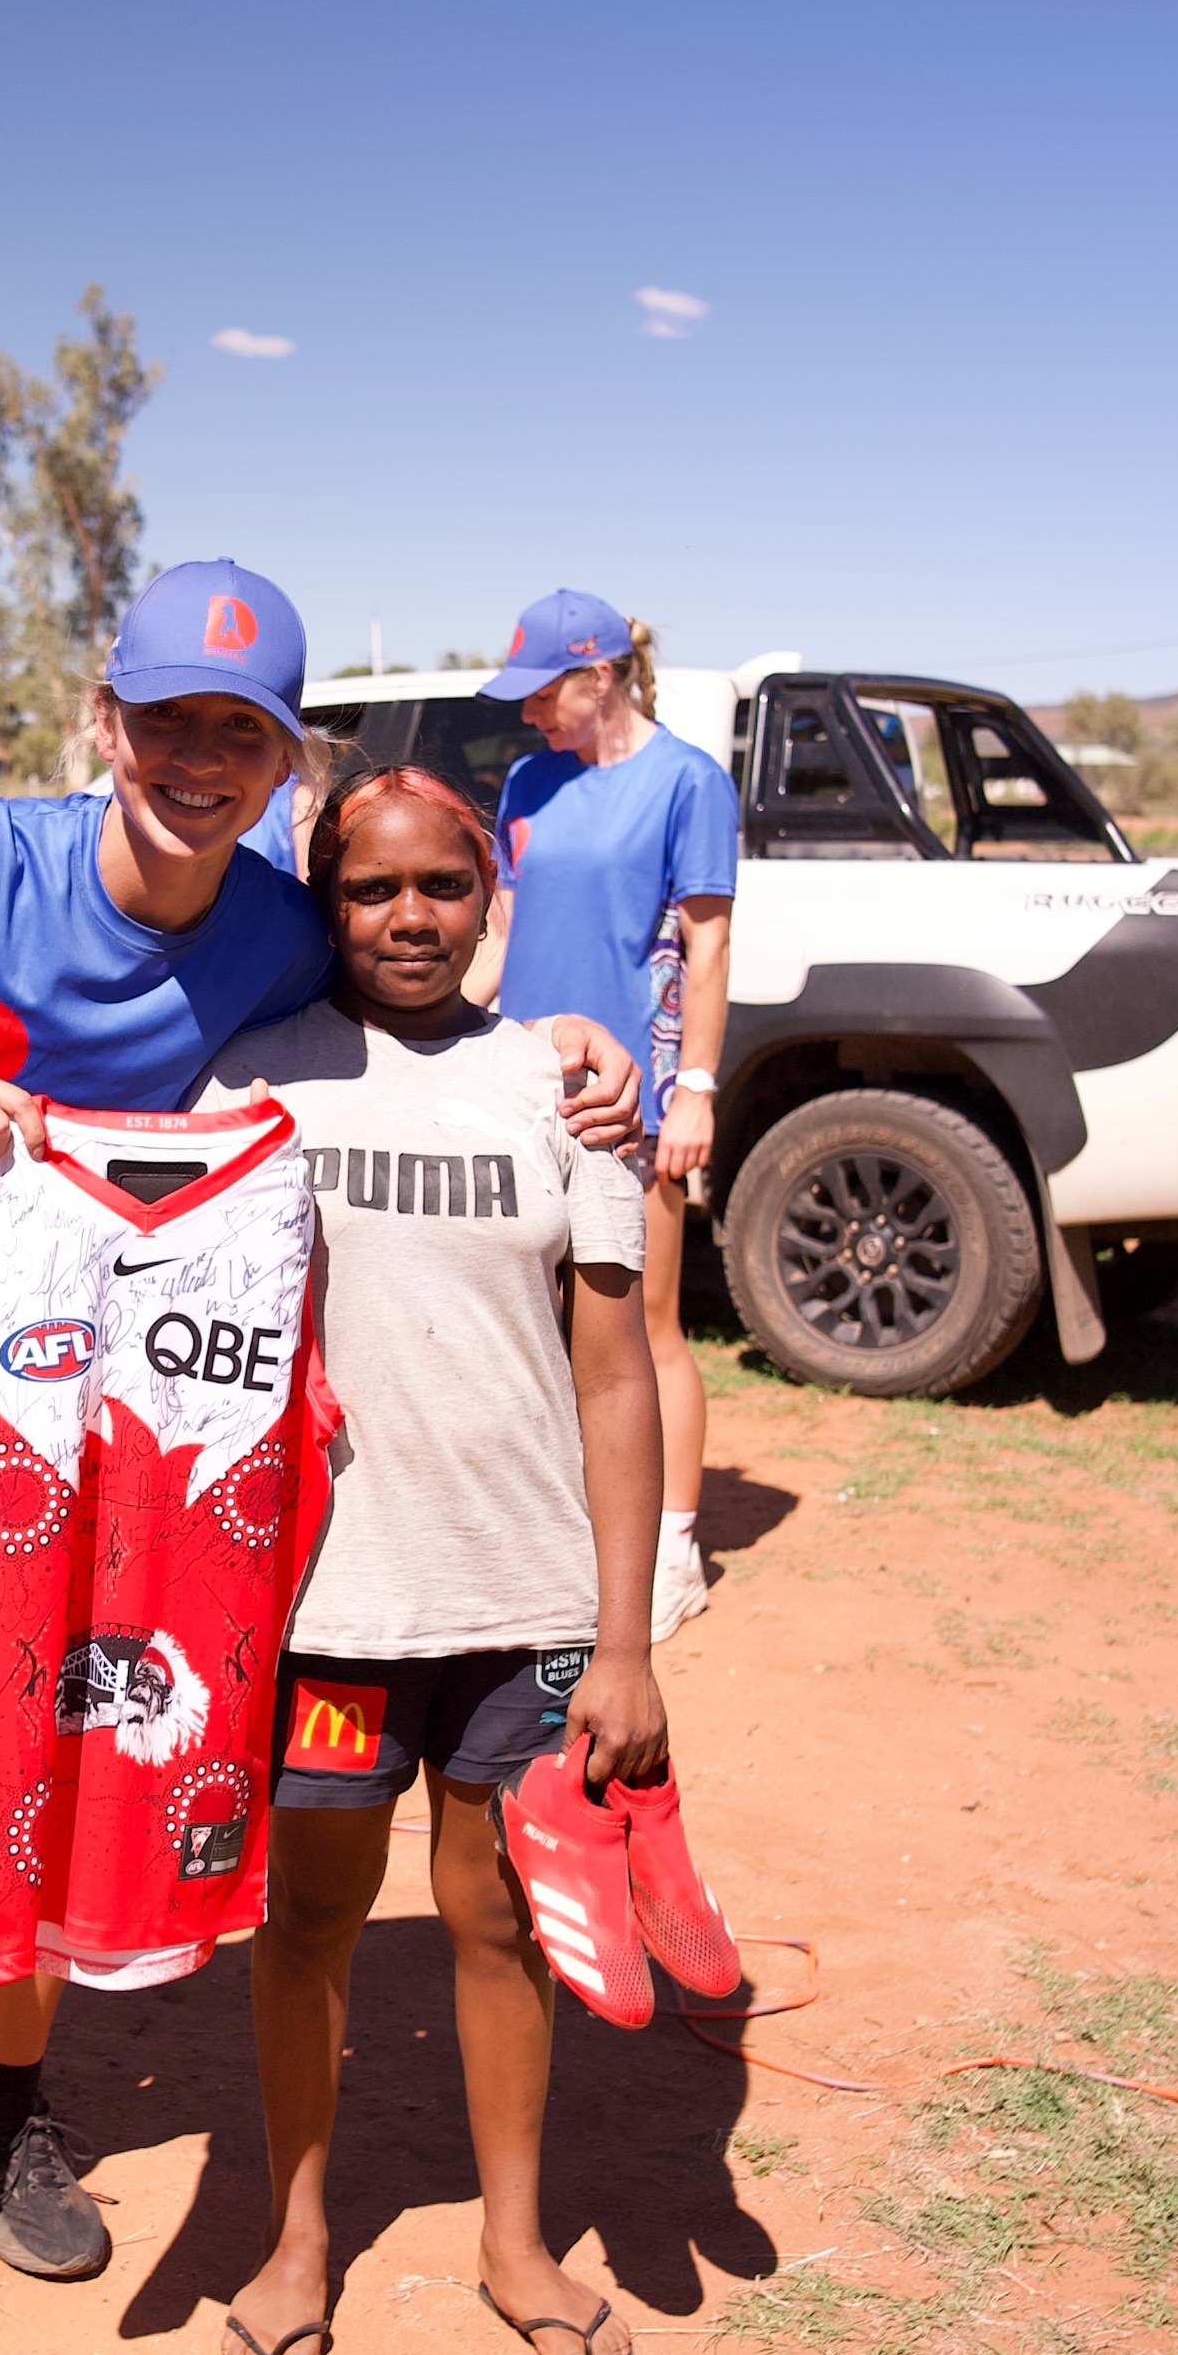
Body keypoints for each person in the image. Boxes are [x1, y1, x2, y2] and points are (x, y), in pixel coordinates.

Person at [0, 558, 641, 2355]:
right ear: (108, 723)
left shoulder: (283, 934)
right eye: (169, 721)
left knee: (69, 1768)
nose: (199, 762)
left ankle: (7, 2109)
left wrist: (572, 1044)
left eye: (243, 733)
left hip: (103, 1425)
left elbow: (422, 998)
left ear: (279, 760)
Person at [195, 767, 668, 2355]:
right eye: (368, 888)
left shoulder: (560, 1094)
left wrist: (625, 1635)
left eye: (440, 888)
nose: (407, 917)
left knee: (501, 1917)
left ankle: (518, 2245)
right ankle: (300, 2232)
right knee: (313, 1918)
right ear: (322, 897)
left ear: (492, 888)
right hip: (328, 1601)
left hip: (520, 1600)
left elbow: (614, 1373)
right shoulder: (253, 1079)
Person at [474, 588, 735, 1642]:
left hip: (630, 1096)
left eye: (539, 694)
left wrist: (696, 1091)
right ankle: (564, 1531)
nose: (526, 716)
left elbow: (708, 947)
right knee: (532, 1321)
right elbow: (497, 927)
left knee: (643, 1322)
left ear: (598, 678)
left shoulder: (687, 783)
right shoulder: (529, 781)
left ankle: (673, 1546)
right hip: (518, 1082)